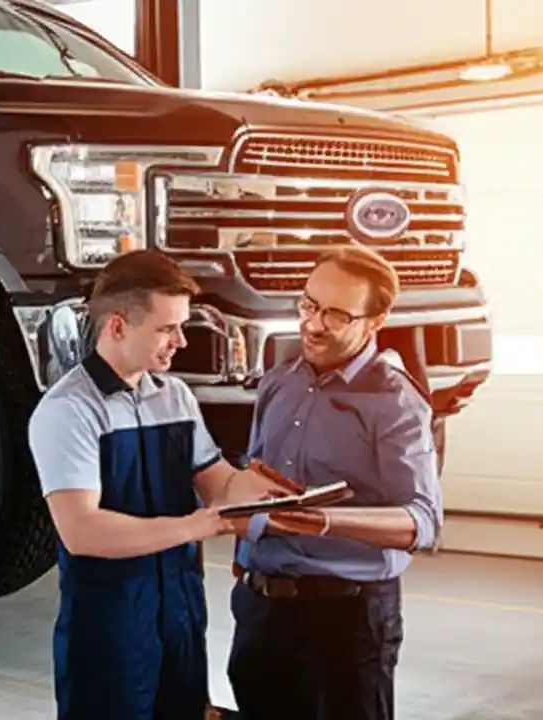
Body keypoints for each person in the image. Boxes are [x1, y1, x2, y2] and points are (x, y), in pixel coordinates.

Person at [27, 249, 292, 720]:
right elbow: (82, 531)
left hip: (181, 618)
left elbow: (217, 485)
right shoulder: (68, 411)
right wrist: (198, 526)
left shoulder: (174, 397)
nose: (181, 342)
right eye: (167, 329)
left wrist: (267, 489)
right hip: (109, 631)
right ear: (116, 326)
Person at [226, 245, 444, 720]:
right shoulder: (278, 383)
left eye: (337, 315)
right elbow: (255, 476)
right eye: (309, 304)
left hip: (347, 621)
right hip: (262, 611)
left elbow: (423, 523)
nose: (314, 324)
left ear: (376, 320)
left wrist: (322, 521)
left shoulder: (395, 402)